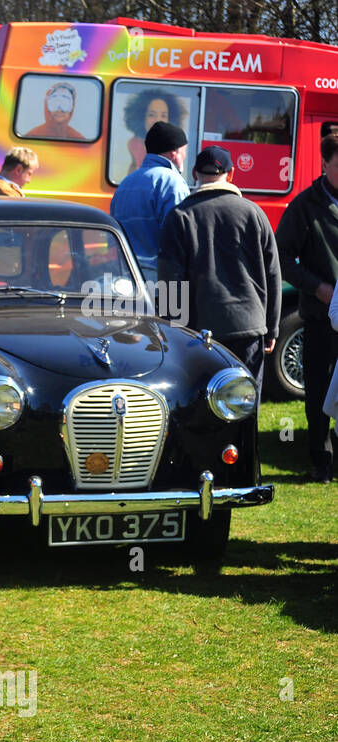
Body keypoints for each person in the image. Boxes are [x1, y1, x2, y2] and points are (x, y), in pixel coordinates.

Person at [157, 146, 280, 388]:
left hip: (198, 335)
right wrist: (272, 327)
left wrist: (172, 332)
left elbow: (170, 281)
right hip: (249, 328)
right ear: (232, 174)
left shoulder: (180, 216)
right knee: (244, 405)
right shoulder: (255, 213)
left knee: (202, 411)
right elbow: (273, 273)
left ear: (194, 173)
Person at [276, 132, 338, 483]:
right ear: (325, 165)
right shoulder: (304, 206)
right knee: (319, 391)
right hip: (320, 318)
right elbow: (282, 257)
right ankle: (321, 460)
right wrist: (318, 287)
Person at [110, 120, 189, 283]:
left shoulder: (125, 184)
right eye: (184, 151)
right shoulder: (173, 182)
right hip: (162, 284)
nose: (185, 157)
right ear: (174, 153)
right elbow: (180, 238)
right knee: (173, 310)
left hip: (125, 279)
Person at [122, 89, 186, 175]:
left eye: (163, 115)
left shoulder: (177, 146)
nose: (158, 120)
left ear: (170, 119)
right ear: (142, 117)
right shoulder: (134, 144)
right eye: (152, 115)